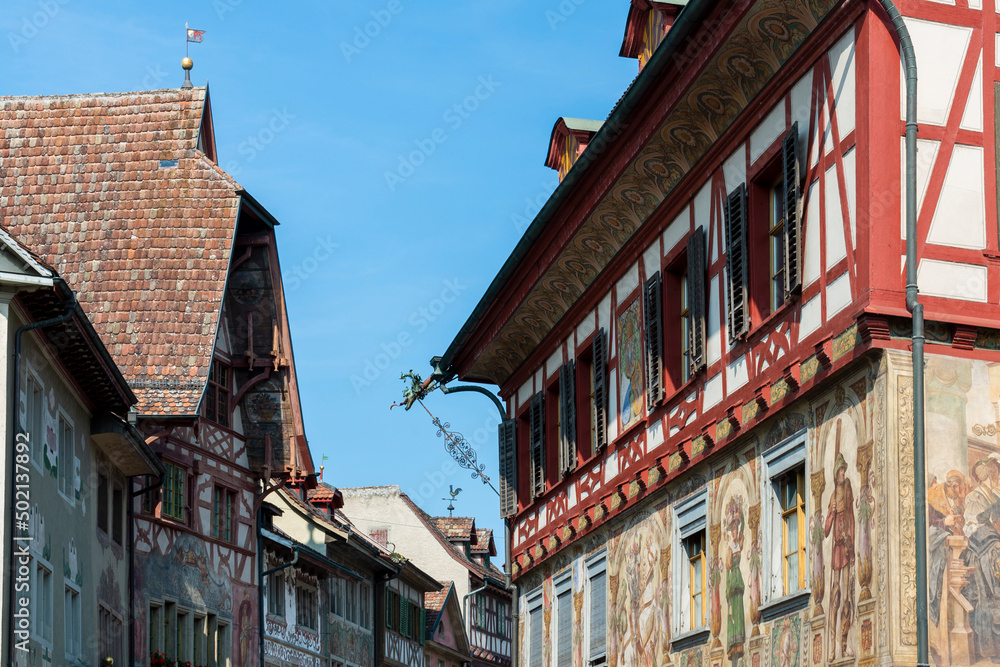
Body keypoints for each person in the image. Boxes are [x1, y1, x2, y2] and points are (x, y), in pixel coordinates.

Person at [825, 453, 855, 661]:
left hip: (846, 545)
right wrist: (831, 513)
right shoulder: (833, 495)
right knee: (835, 597)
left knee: (846, 598)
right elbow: (826, 529)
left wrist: (851, 547)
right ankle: (832, 648)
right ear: (836, 474)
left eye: (844, 470)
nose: (843, 473)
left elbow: (852, 516)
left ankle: (845, 645)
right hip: (836, 547)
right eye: (840, 470)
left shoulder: (848, 489)